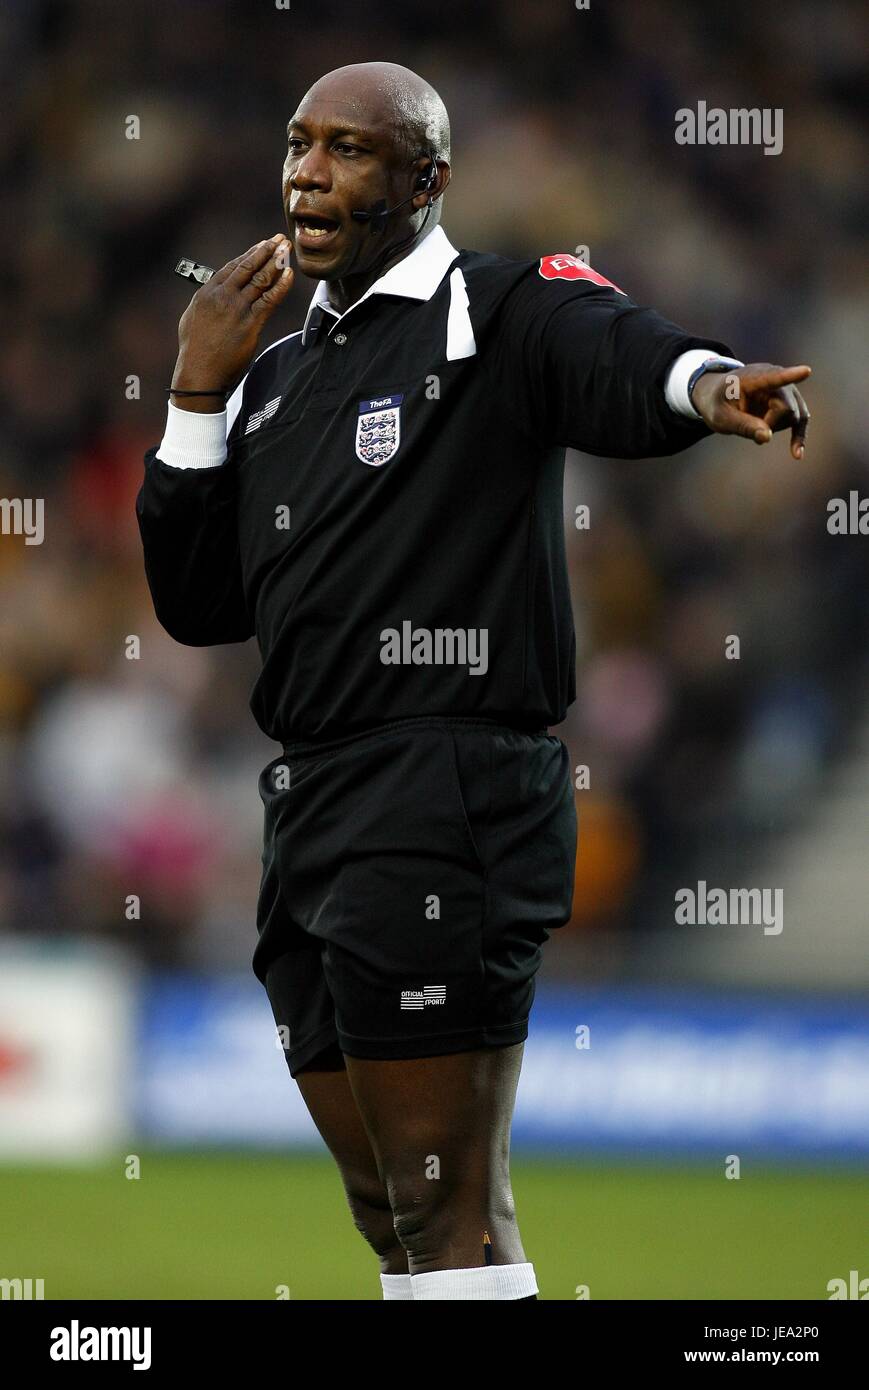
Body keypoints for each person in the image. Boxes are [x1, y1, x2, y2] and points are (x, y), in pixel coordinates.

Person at [136, 61, 810, 1301]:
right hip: (315, 802)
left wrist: (706, 385)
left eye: (347, 148)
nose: (306, 170)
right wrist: (193, 394)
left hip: (445, 784)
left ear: (426, 179)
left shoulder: (492, 309)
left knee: (448, 1206)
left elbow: (613, 350)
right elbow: (196, 606)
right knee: (390, 1210)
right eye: (297, 143)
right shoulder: (278, 376)